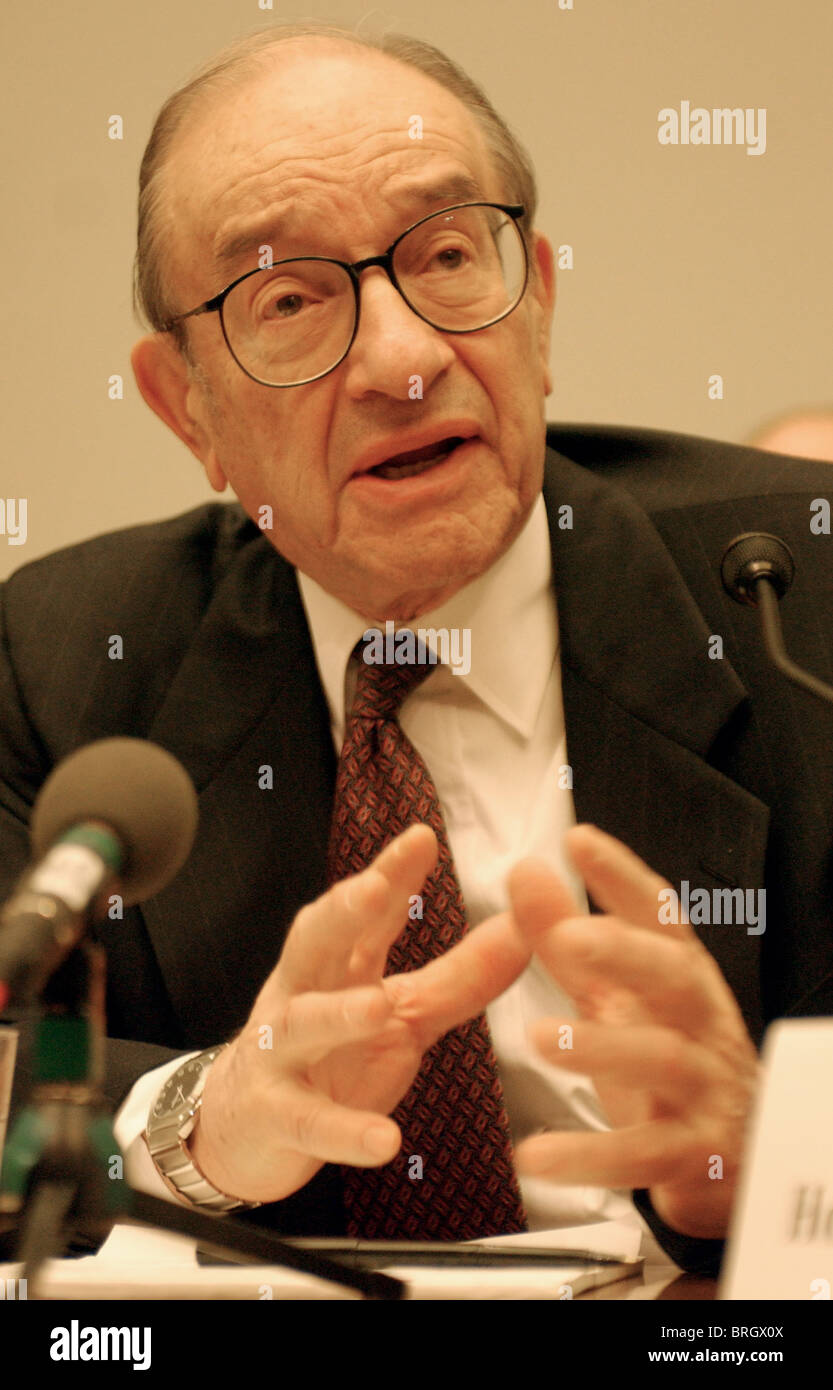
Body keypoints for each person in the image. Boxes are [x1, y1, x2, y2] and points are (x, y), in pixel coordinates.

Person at [2, 23, 832, 1276]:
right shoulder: (64, 658)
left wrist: (766, 1162)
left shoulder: (799, 609)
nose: (403, 359)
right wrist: (204, 1121)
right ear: (189, 411)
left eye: (446, 255)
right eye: (286, 298)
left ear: (538, 302)